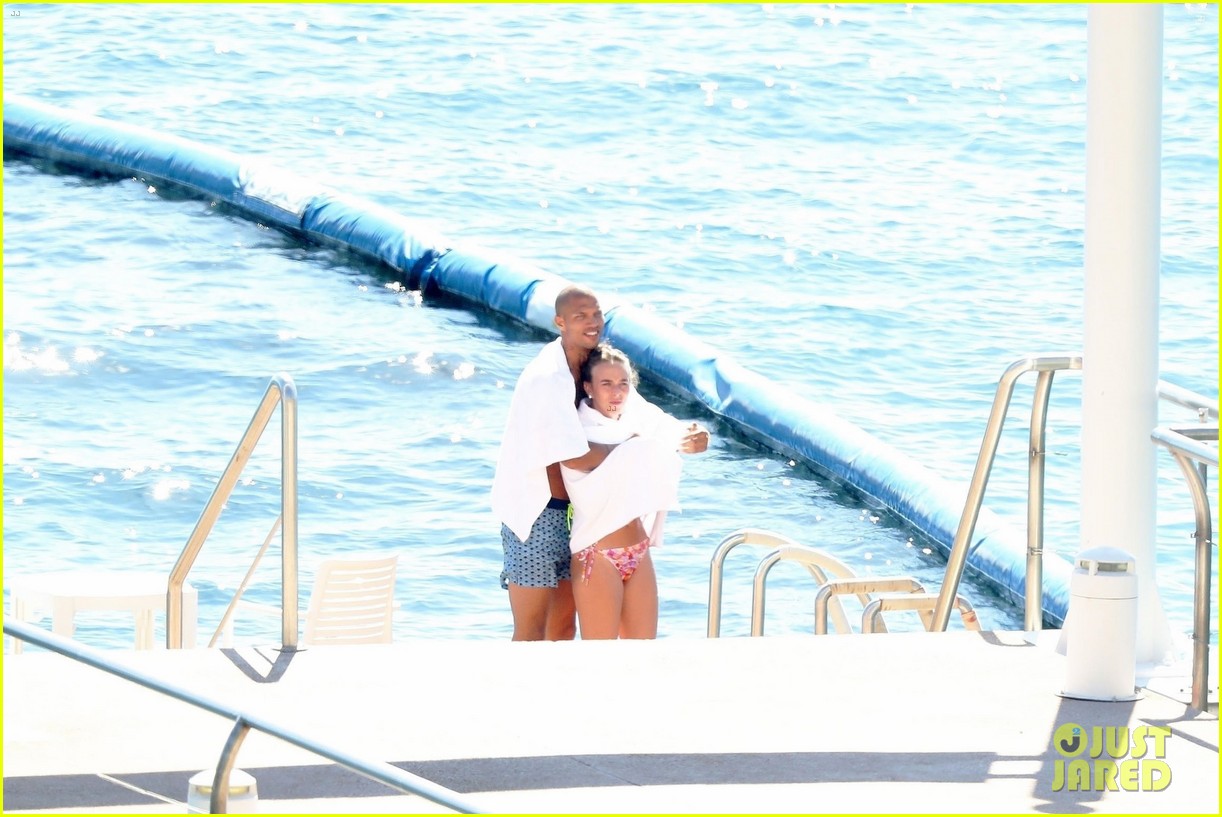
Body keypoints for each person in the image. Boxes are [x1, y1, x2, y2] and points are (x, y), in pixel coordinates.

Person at [560, 343, 710, 639]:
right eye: (606, 384)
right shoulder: (577, 431)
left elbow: (666, 431)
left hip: (638, 552)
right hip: (597, 554)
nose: (616, 392)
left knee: (643, 658)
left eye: (623, 384)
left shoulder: (633, 423)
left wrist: (694, 436)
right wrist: (644, 445)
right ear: (588, 387)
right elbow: (578, 456)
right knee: (601, 662)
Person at [490, 284, 613, 641]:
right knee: (530, 632)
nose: (592, 323)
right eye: (580, 317)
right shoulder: (548, 377)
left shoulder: (588, 365)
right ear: (560, 321)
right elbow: (571, 456)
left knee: (562, 629)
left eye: (596, 314)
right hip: (536, 516)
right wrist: (624, 452)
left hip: (574, 517)